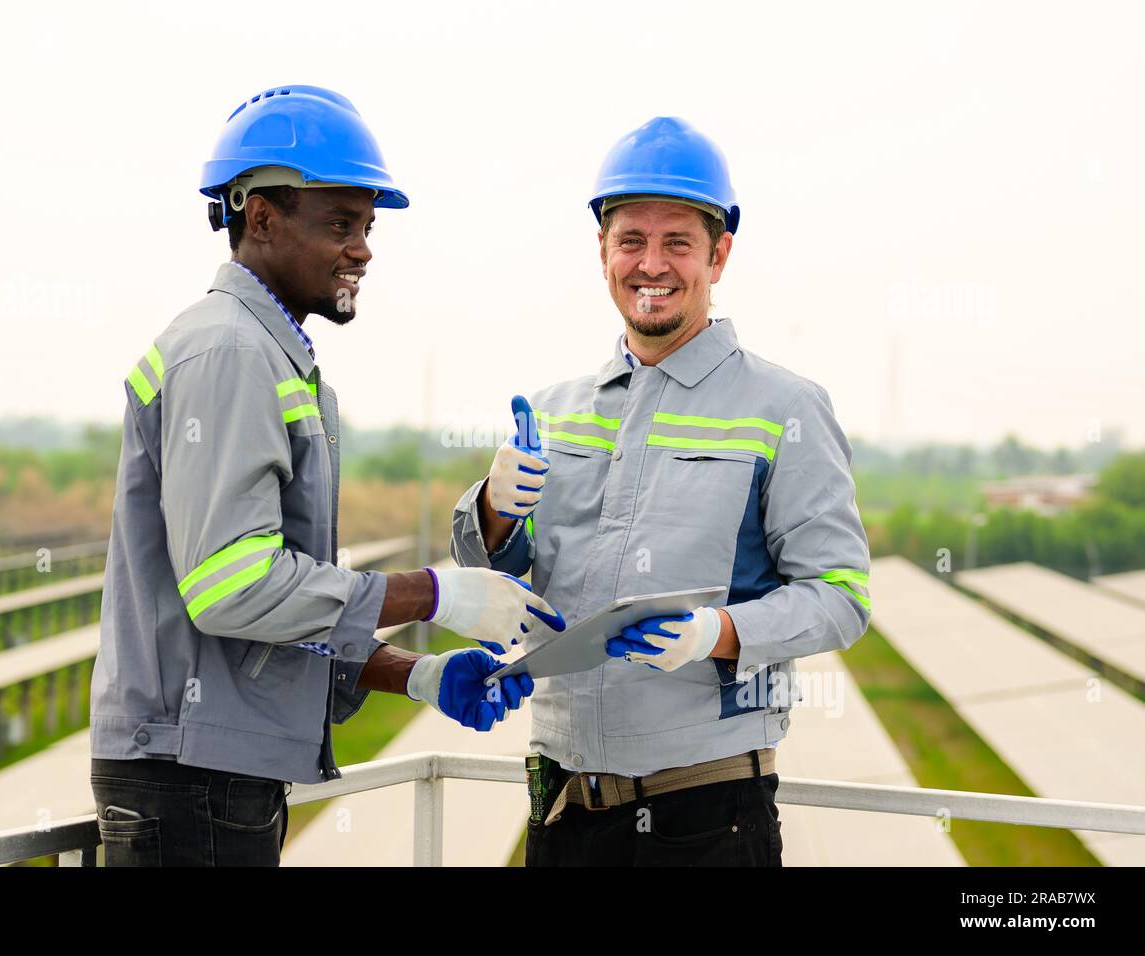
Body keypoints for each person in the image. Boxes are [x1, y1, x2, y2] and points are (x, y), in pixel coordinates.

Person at [89, 85, 563, 867]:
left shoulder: (275, 361)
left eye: (368, 227)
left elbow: (279, 615)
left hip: (216, 779)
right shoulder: (231, 353)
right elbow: (230, 585)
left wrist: (417, 675)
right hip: (190, 781)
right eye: (340, 224)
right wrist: (436, 593)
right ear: (262, 218)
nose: (364, 249)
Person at [450, 116, 871, 866]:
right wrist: (491, 511)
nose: (653, 264)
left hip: (706, 815)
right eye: (631, 241)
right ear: (603, 253)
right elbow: (490, 579)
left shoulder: (784, 408)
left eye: (678, 241)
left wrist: (721, 635)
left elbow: (841, 596)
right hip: (562, 808)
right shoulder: (552, 410)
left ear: (720, 254)